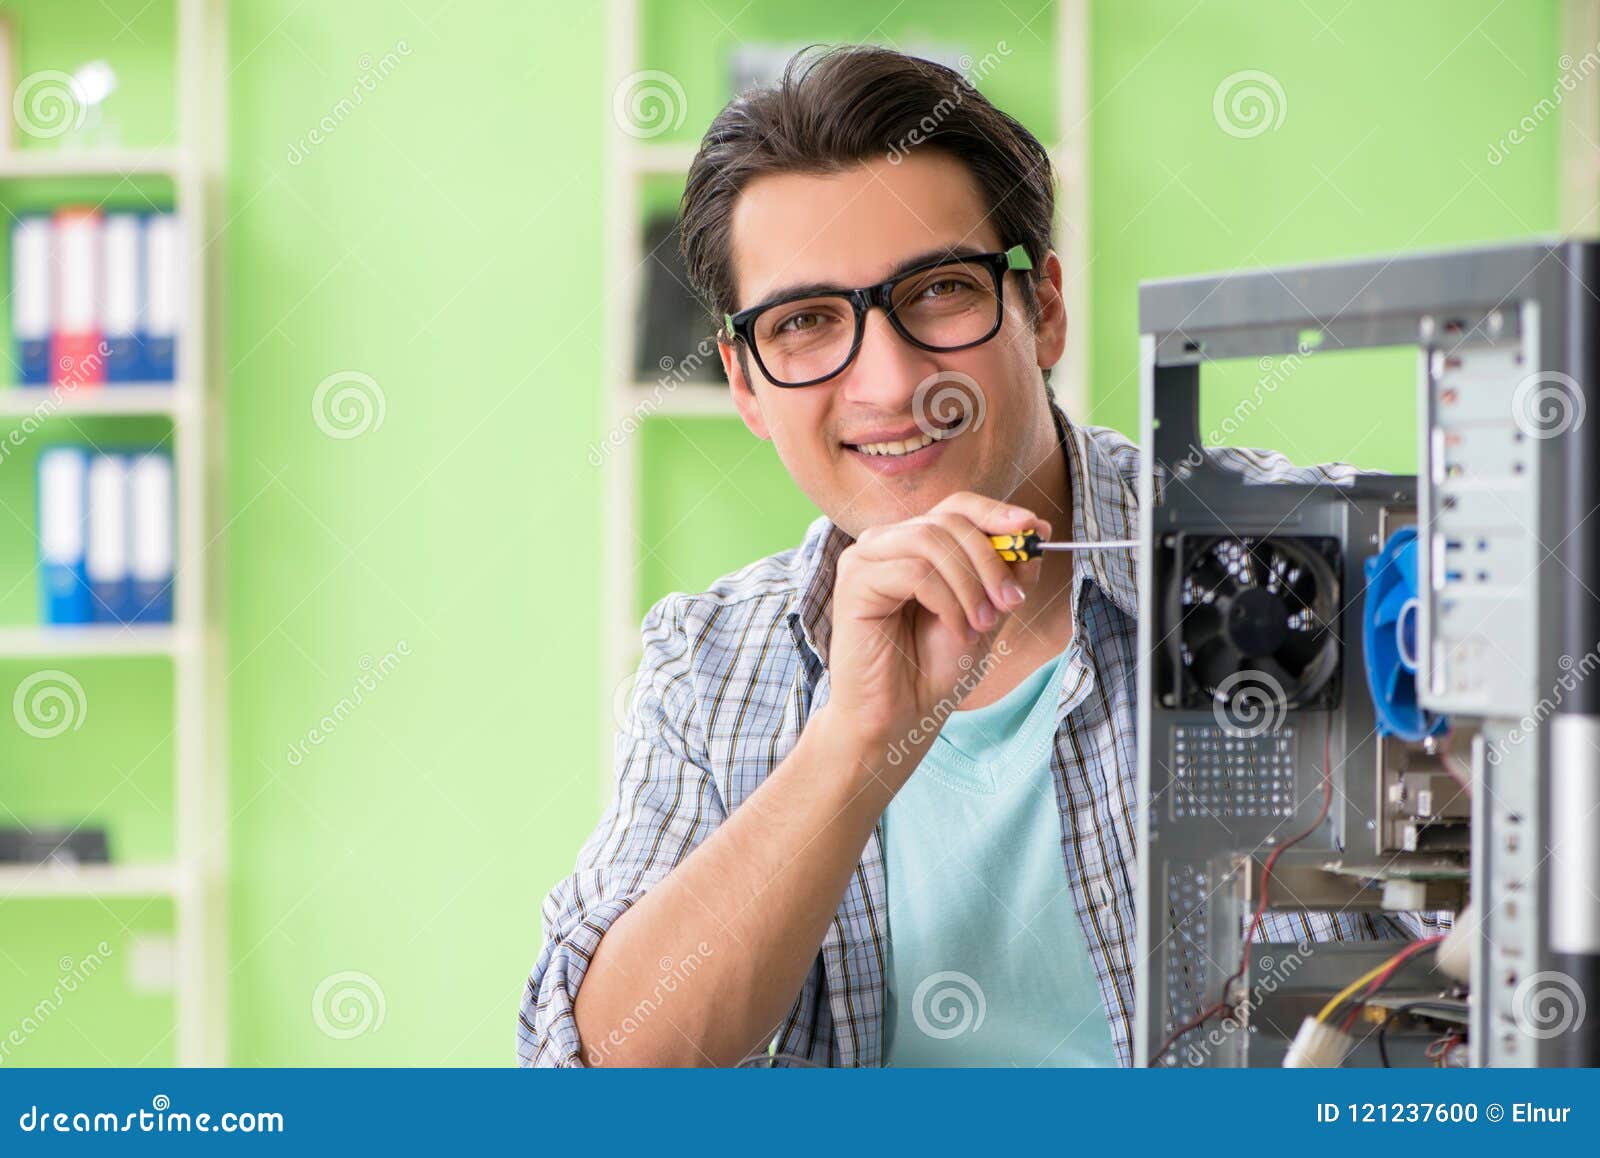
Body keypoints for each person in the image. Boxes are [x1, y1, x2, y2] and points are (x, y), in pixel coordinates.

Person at [519, 44, 1418, 1068]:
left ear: (1041, 311)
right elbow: (600, 1077)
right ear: (745, 383)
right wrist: (853, 747)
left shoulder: (1316, 566)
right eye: (807, 322)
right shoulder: (711, 661)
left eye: (939, 291)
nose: (891, 380)